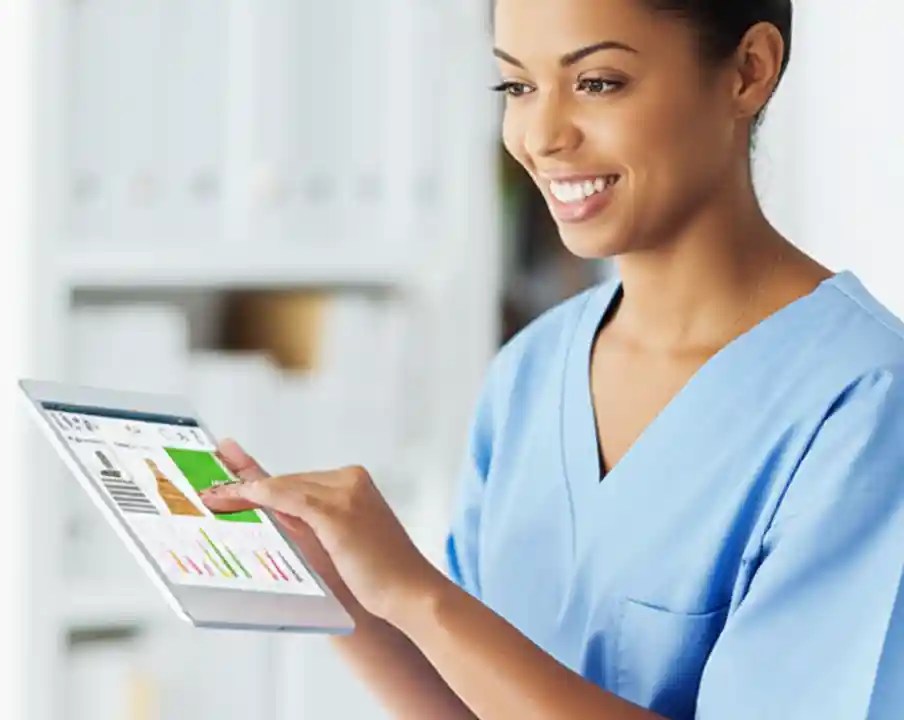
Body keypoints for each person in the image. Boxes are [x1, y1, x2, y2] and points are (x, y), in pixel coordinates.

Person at [200, 0, 904, 717]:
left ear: (748, 71)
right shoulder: (530, 372)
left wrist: (418, 594)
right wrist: (340, 586)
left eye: (598, 82)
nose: (541, 135)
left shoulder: (865, 404)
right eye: (516, 87)